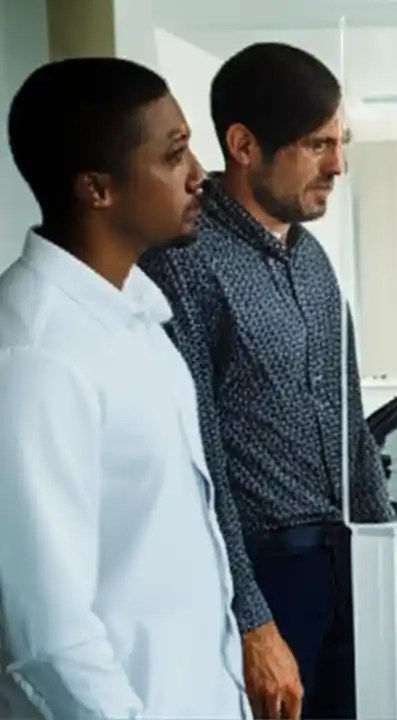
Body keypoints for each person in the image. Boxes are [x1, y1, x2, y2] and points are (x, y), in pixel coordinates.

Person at [138, 43, 397, 720]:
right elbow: (197, 459)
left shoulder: (312, 259)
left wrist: (384, 545)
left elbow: (349, 422)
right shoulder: (184, 264)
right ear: (244, 145)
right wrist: (251, 618)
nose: (338, 165)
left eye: (339, 142)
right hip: (263, 574)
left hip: (344, 563)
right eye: (317, 145)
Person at [0, 58, 249, 719]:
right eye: (174, 156)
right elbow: (47, 637)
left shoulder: (139, 314)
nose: (200, 174)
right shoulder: (35, 355)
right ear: (96, 188)